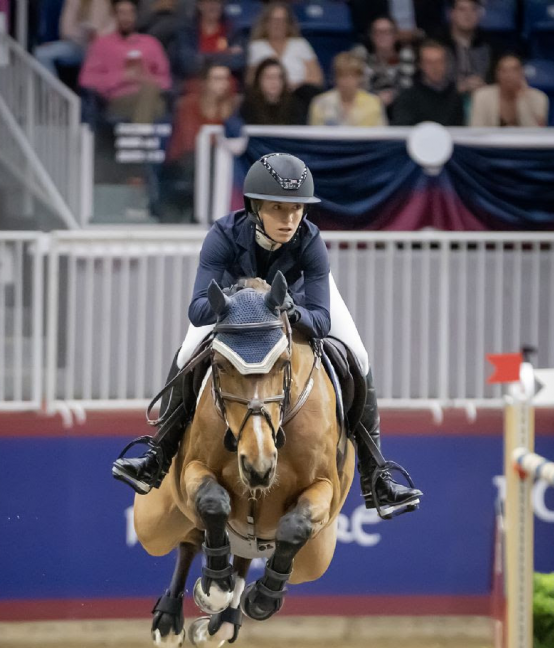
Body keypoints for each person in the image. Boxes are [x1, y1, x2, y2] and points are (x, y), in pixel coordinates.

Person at [113, 152, 422, 520]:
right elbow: (197, 309)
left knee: (357, 355)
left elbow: (321, 321)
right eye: (278, 208)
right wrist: (241, 297)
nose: (289, 220)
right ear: (256, 207)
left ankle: (377, 475)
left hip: (299, 299)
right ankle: (157, 456)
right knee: (189, 350)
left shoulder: (310, 240)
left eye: (296, 209)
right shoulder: (224, 234)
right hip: (231, 307)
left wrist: (291, 311)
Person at [79, 0, 171, 123]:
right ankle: (141, 137)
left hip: (150, 96)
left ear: (136, 15)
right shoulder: (102, 44)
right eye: (122, 13)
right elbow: (86, 80)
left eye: (130, 13)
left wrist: (145, 78)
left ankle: (139, 137)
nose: (126, 18)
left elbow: (167, 81)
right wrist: (122, 77)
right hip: (120, 101)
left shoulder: (151, 43)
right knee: (153, 100)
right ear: (114, 15)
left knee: (151, 93)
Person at [246, 4, 324, 94]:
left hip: (299, 96)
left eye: (282, 20)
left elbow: (317, 79)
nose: (278, 24)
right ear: (266, 23)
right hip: (266, 98)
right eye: (274, 20)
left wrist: (292, 87)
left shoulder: (300, 44)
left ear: (289, 24)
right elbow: (251, 81)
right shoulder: (256, 47)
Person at [390, 40, 464, 125]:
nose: (435, 67)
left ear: (446, 64)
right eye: (429, 62)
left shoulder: (455, 97)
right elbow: (402, 131)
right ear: (420, 65)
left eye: (440, 61)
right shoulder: (407, 98)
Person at [34, 0, 113, 78]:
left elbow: (113, 27)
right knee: (41, 53)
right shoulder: (73, 1)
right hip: (76, 45)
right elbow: (66, 30)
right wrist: (82, 34)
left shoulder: (107, 3)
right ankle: (54, 89)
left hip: (100, 47)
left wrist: (97, 35)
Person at [352, 17, 416, 111]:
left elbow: (408, 86)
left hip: (400, 108)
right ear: (372, 36)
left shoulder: (406, 56)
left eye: (387, 32)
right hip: (369, 108)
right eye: (378, 32)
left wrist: (393, 95)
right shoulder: (361, 56)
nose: (382, 36)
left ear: (395, 35)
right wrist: (376, 98)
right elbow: (358, 88)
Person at [308, 53, 387, 126]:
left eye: (352, 76)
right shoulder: (320, 103)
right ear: (335, 78)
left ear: (360, 78)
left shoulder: (373, 103)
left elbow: (381, 137)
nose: (346, 81)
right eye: (342, 76)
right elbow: (316, 137)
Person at [470, 54, 548, 127]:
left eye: (514, 70)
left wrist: (525, 99)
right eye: (504, 70)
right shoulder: (482, 96)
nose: (509, 75)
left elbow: (537, 132)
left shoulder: (538, 98)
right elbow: (476, 129)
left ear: (522, 73)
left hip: (524, 141)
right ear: (497, 74)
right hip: (491, 141)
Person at [175, 0, 245, 79]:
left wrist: (202, 58)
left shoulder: (233, 31)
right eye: (209, 2)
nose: (214, 6)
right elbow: (188, 64)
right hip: (196, 82)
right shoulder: (187, 32)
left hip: (227, 82)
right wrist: (226, 54)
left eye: (217, 2)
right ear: (200, 5)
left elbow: (238, 62)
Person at [441, 0, 491, 98]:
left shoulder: (490, 45)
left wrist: (487, 88)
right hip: (446, 103)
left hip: (482, 99)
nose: (468, 15)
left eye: (473, 10)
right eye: (462, 9)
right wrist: (459, 88)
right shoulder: (439, 45)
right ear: (451, 13)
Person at [239, 58, 305, 125]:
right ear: (259, 80)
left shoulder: (294, 105)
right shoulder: (249, 106)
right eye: (269, 77)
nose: (274, 82)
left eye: (279, 77)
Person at [349, 0, 444, 44]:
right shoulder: (366, 2)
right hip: (380, 45)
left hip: (420, 42)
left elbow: (436, 25)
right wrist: (388, 35)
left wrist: (418, 34)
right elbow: (362, 28)